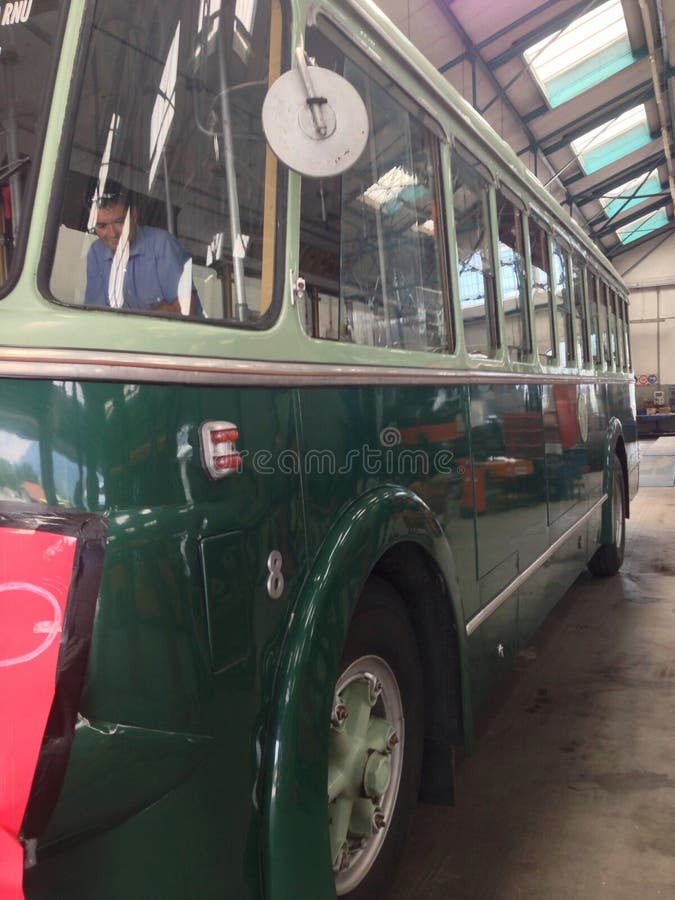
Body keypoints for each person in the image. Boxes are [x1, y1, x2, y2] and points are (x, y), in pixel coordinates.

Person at [85, 179, 202, 315]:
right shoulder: (96, 252)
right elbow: (96, 315)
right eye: (102, 226)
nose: (112, 233)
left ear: (134, 215)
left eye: (119, 222)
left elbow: (186, 311)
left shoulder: (161, 244)